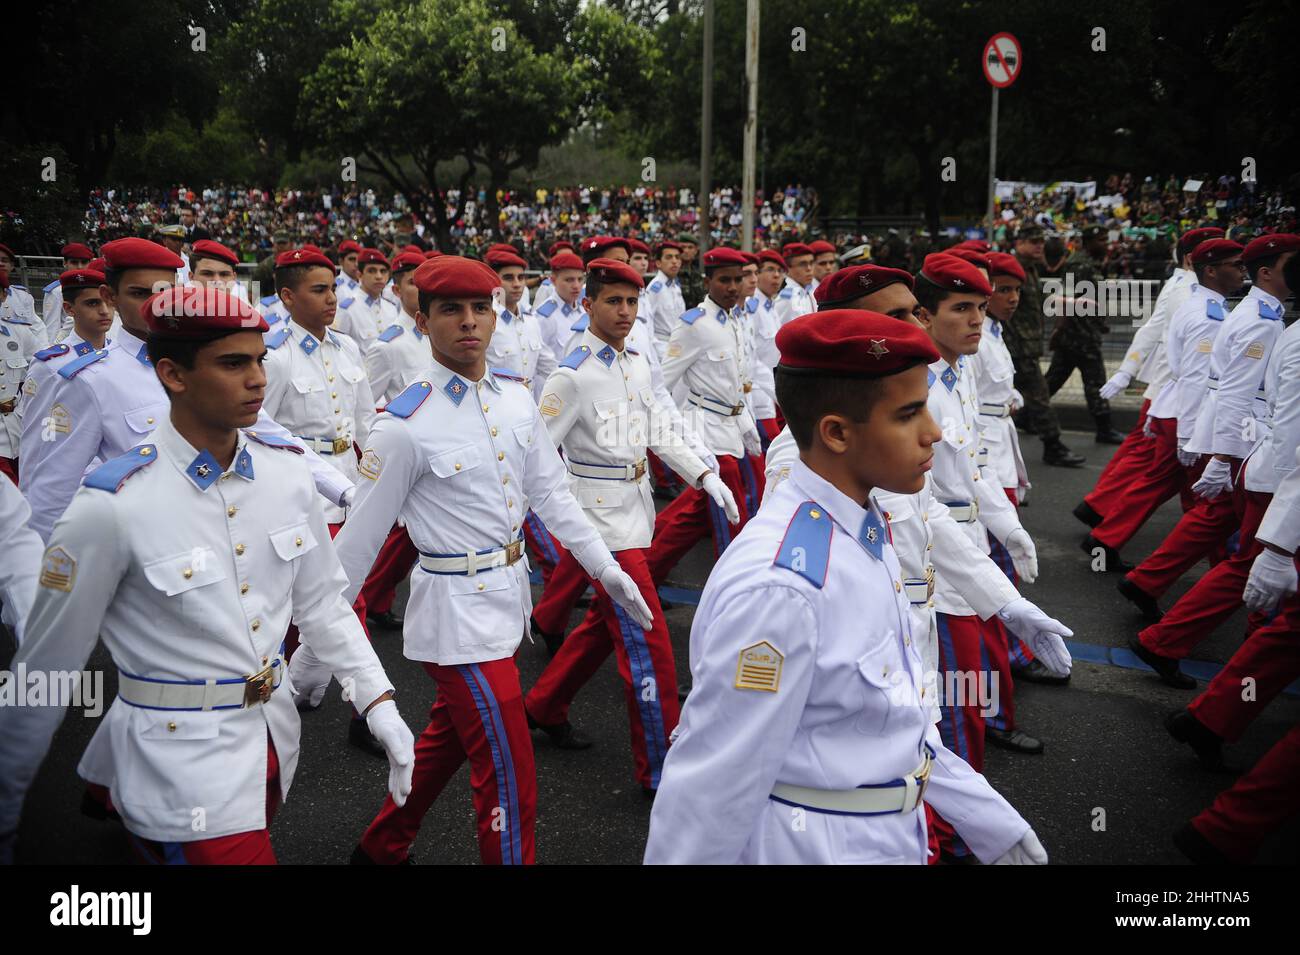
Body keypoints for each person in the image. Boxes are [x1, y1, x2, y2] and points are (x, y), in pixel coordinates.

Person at [0, 284, 415, 866]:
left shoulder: (287, 478)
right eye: (232, 363)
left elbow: (323, 606)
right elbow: (40, 679)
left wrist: (379, 703)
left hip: (272, 739)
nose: (257, 380)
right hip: (175, 765)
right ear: (172, 374)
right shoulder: (111, 508)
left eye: (259, 361)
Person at [643, 309, 1048, 865]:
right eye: (908, 414)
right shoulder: (783, 586)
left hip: (885, 831)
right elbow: (712, 787)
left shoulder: (864, 523)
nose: (933, 431)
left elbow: (891, 718)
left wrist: (984, 813)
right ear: (835, 432)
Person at [319, 255, 652, 865]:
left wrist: (606, 567)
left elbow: (552, 494)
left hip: (506, 606)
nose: (468, 322)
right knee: (507, 774)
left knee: (447, 741)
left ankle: (382, 847)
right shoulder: (405, 426)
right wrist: (318, 654)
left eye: (480, 308)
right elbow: (358, 548)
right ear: (423, 320)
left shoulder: (516, 401)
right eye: (450, 309)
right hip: (454, 620)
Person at [523, 258, 732, 792]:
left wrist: (704, 473)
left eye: (632, 302)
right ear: (587, 305)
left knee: (603, 627)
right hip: (600, 522)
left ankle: (545, 704)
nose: (624, 311)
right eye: (613, 301)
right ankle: (661, 768)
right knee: (650, 642)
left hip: (636, 509)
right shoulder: (571, 376)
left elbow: (662, 424)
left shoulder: (636, 361)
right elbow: (534, 458)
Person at [1120, 234, 1297, 635]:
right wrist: (1221, 456)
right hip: (1241, 434)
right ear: (1268, 273)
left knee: (1215, 520)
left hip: (1233, 431)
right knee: (1245, 538)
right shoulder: (1260, 322)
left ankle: (1148, 583)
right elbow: (1234, 391)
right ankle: (1249, 624)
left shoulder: (1255, 312)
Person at [1083, 239, 1244, 573]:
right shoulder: (1192, 298)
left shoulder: (1191, 294)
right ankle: (1169, 574)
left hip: (1172, 402)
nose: (1242, 269)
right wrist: (1184, 429)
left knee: (1173, 484)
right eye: (1235, 263)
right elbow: (1191, 369)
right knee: (1206, 501)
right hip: (1185, 407)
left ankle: (1108, 536)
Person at [649, 247, 764, 578]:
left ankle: (647, 566)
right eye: (723, 280)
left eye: (737, 280)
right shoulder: (694, 324)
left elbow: (735, 384)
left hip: (731, 426)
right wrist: (672, 434)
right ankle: (736, 578)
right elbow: (663, 383)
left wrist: (746, 425)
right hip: (705, 430)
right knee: (728, 514)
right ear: (707, 281)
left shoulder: (732, 321)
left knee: (695, 514)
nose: (732, 287)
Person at [12, 268, 114, 485]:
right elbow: (34, 440)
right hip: (68, 482)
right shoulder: (50, 365)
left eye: (109, 302)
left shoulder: (118, 356)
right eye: (92, 303)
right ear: (69, 309)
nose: (105, 311)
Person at [1006, 225, 1085, 467]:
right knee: (1040, 396)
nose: (1040, 245)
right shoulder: (1012, 270)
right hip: (1017, 347)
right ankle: (1053, 445)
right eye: (1033, 241)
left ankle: (1022, 422)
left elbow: (1036, 300)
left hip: (1024, 345)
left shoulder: (1029, 269)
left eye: (1041, 241)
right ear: (1019, 243)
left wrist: (1067, 302)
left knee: (1021, 395)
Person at [1046, 225, 1126, 443]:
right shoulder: (1078, 264)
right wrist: (1059, 329)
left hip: (1083, 333)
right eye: (1101, 240)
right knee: (1096, 382)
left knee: (1053, 380)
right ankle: (1104, 429)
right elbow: (1066, 299)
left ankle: (1026, 415)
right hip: (1078, 336)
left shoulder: (1091, 264)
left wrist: (1100, 323)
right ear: (1088, 241)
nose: (1106, 244)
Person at [333, 248, 397, 356]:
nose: (379, 276)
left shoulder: (391, 308)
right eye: (371, 271)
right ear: (360, 275)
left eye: (383, 271)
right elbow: (339, 350)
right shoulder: (347, 309)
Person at [39, 243, 93, 341]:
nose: (79, 267)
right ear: (65, 263)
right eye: (74, 262)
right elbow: (52, 327)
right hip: (68, 343)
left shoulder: (95, 287)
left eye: (84, 262)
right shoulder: (56, 291)